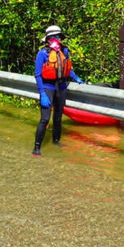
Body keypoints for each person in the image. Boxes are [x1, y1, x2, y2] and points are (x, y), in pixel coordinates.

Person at [32, 25, 84, 155]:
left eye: (57, 36)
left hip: (61, 87)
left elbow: (67, 68)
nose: (56, 39)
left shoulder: (64, 51)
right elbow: (38, 75)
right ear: (48, 39)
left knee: (58, 118)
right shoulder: (42, 53)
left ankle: (56, 141)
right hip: (48, 88)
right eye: (53, 37)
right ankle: (36, 148)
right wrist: (42, 93)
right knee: (45, 119)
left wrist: (76, 78)